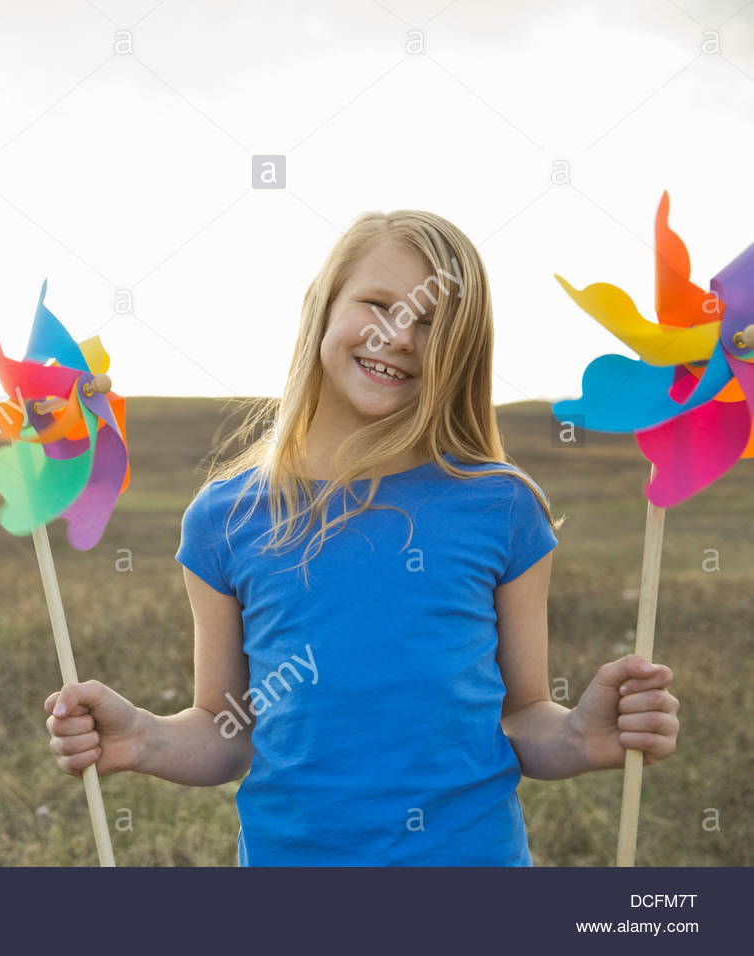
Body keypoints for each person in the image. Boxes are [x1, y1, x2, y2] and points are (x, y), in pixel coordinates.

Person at [44, 208, 681, 865]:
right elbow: (225, 728)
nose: (400, 335)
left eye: (432, 323)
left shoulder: (503, 506)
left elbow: (523, 714)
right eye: (377, 303)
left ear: (461, 352)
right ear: (322, 306)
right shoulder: (223, 519)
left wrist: (579, 736)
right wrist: (144, 739)